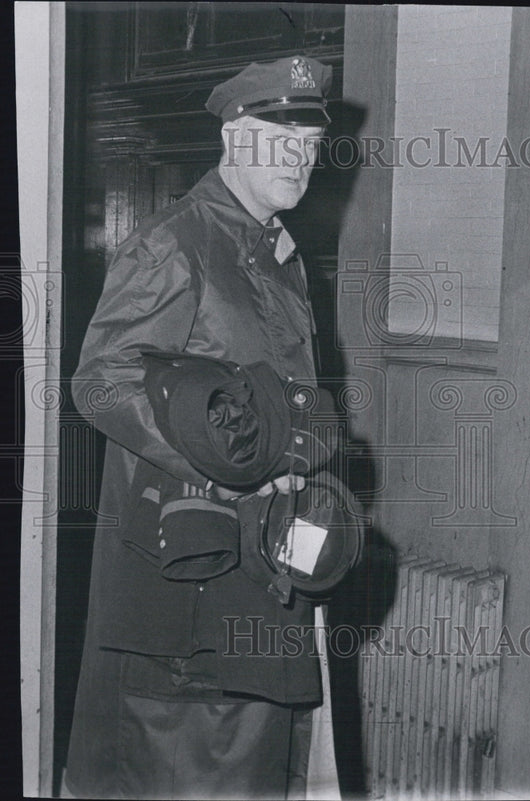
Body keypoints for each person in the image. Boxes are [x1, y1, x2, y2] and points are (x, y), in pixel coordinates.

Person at [64, 55, 350, 800]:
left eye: (310, 145)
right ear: (232, 139)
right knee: (191, 763)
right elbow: (101, 381)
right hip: (189, 569)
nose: (298, 160)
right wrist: (228, 466)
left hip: (262, 562)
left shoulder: (278, 251)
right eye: (279, 141)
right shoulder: (176, 241)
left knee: (254, 763)